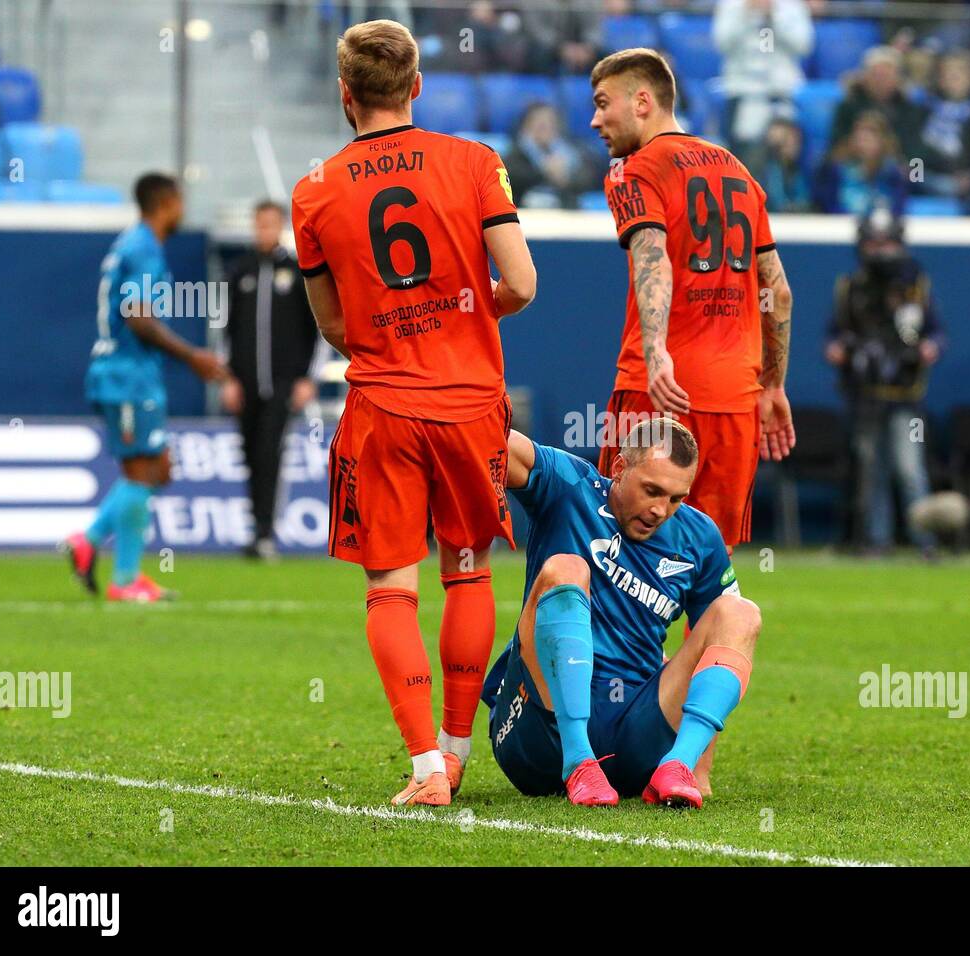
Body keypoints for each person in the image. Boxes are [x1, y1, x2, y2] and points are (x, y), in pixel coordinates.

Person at [290, 19, 538, 807]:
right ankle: (461, 751)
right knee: (467, 568)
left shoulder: (314, 189)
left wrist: (391, 331)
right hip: (469, 404)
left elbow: (332, 326)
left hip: (384, 405)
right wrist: (465, 318)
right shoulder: (474, 163)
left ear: (345, 94)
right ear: (416, 86)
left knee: (389, 586)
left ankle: (425, 766)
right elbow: (522, 284)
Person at [590, 47, 793, 794]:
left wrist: (655, 350)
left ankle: (595, 740)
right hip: (735, 398)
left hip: (661, 393)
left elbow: (653, 255)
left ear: (644, 102)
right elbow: (777, 288)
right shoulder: (739, 170)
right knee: (714, 589)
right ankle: (691, 765)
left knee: (613, 555)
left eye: (605, 102)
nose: (596, 118)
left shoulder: (637, 171)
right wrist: (772, 382)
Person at [483, 418, 760, 808]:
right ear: (618, 469)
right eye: (652, 490)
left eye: (676, 498)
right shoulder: (570, 488)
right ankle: (579, 761)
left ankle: (677, 764)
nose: (661, 510)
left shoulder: (699, 537)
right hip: (539, 736)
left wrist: (701, 769)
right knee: (566, 568)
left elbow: (718, 645)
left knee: (740, 613)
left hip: (636, 737)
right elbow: (487, 438)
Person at [63, 174, 228, 601]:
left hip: (129, 374)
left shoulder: (132, 243)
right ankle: (124, 580)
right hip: (127, 376)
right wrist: (192, 356)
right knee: (143, 472)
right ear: (168, 202)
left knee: (159, 469)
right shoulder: (144, 250)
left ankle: (90, 541)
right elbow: (138, 317)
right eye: (181, 202)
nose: (183, 210)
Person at [825, 206, 943, 557]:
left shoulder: (916, 286)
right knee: (871, 469)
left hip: (905, 395)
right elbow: (835, 335)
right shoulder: (849, 287)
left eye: (886, 243)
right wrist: (839, 350)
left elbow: (936, 333)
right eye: (874, 243)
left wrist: (929, 347)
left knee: (909, 468)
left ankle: (924, 539)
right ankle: (878, 540)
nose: (880, 251)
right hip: (864, 394)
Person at [219, 200, 324, 560]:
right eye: (259, 224)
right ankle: (255, 529)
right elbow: (225, 331)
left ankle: (266, 532)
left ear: (280, 226)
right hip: (245, 382)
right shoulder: (238, 272)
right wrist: (227, 377)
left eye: (270, 224)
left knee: (271, 451)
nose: (264, 231)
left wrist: (306, 377)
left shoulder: (296, 273)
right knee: (249, 454)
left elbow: (318, 329)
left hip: (282, 382)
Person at [712, 0, 813, 153]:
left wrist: (774, 17)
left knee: (788, 142)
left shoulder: (792, 6)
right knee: (749, 147)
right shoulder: (731, 6)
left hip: (784, 92)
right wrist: (745, 14)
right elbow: (722, 44)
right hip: (743, 91)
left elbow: (804, 46)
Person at [917, 52, 970, 200]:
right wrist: (916, 178)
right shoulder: (924, 111)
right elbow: (914, 150)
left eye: (961, 72)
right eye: (949, 73)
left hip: (966, 182)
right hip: (927, 178)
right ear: (940, 80)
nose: (955, 77)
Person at [502, 102, 602, 209]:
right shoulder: (515, 152)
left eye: (550, 122)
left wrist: (566, 178)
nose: (545, 127)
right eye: (539, 123)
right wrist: (544, 172)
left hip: (566, 211)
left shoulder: (570, 151)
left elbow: (588, 179)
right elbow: (510, 179)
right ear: (526, 125)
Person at [831, 46, 923, 162]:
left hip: (899, 171)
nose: (881, 81)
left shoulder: (909, 110)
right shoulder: (848, 107)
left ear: (898, 79)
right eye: (876, 75)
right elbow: (835, 148)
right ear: (864, 77)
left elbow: (916, 152)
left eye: (886, 75)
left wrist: (914, 177)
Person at [814, 109, 908, 215]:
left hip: (883, 227)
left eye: (871, 138)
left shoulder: (894, 172)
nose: (864, 143)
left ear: (883, 141)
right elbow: (828, 204)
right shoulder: (835, 169)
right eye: (861, 138)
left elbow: (898, 206)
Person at [742, 116, 812, 212]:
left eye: (797, 141)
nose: (794, 145)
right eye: (787, 141)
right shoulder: (768, 169)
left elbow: (803, 199)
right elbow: (776, 204)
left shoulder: (798, 169)